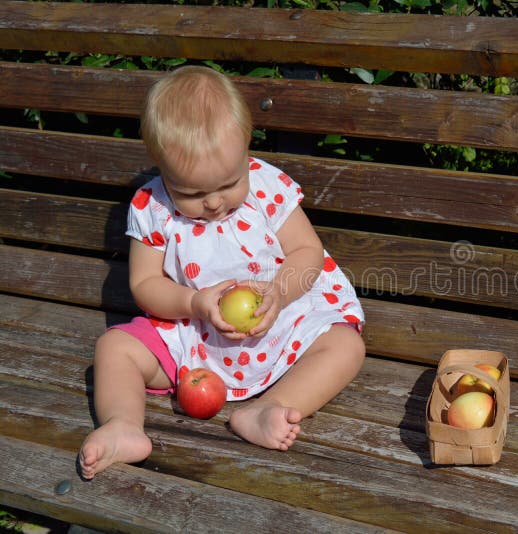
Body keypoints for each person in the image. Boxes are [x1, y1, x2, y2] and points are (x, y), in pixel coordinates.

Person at [79, 66, 366, 480]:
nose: (213, 203)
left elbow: (308, 252)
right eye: (191, 193)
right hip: (192, 334)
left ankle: (268, 406)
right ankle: (123, 424)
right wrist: (192, 302)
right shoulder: (153, 208)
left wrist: (279, 294)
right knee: (114, 347)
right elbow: (144, 285)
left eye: (230, 183)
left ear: (247, 150)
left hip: (278, 322)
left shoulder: (268, 186)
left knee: (345, 346)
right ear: (161, 170)